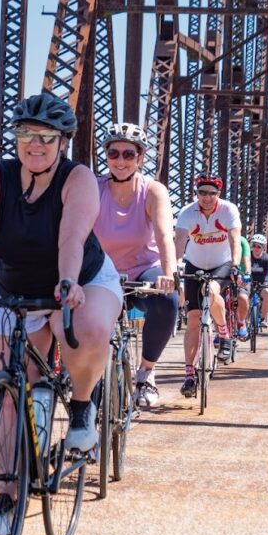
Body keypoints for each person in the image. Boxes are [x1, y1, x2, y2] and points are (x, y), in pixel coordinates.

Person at [0, 92, 122, 535]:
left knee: (83, 328)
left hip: (79, 279)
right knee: (10, 390)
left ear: (62, 142)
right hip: (13, 285)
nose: (33, 144)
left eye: (45, 136)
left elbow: (71, 237)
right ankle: (5, 495)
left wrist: (69, 282)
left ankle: (80, 409)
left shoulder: (77, 179)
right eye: (24, 135)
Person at [92, 122, 178, 410]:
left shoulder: (152, 191)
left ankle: (146, 373)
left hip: (143, 269)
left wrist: (169, 273)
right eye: (113, 153)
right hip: (102, 270)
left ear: (140, 158)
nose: (120, 160)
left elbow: (165, 234)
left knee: (167, 302)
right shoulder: (94, 188)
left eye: (129, 154)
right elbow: (72, 231)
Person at [174, 173, 242, 396]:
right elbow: (180, 241)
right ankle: (189, 375)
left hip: (220, 264)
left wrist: (236, 265)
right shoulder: (187, 212)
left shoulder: (228, 210)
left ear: (219, 194)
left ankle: (224, 335)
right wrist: (174, 266)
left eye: (212, 193)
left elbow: (235, 240)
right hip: (194, 264)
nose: (207, 197)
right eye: (202, 193)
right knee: (193, 320)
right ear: (197, 193)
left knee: (211, 290)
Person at [247, 233, 268, 326]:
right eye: (254, 245)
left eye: (259, 246)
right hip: (248, 283)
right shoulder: (247, 256)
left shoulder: (267, 259)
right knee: (243, 297)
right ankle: (244, 320)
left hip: (263, 284)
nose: (256, 248)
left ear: (263, 247)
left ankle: (263, 318)